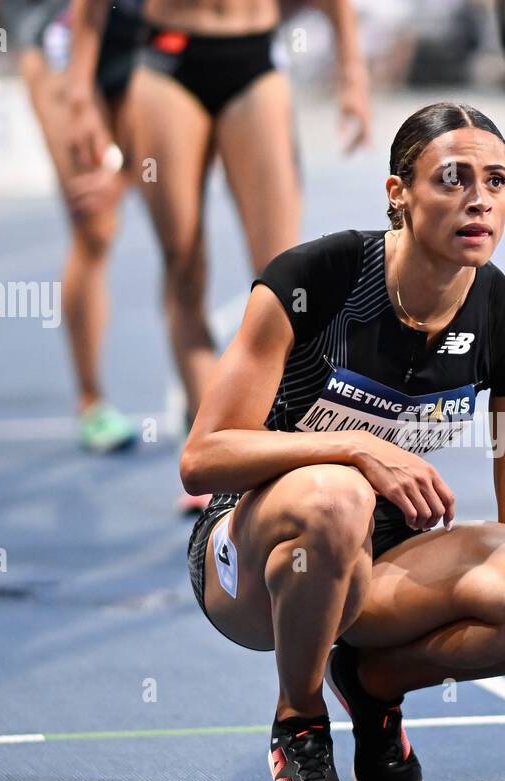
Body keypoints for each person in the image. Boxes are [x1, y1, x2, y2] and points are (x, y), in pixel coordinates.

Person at [181, 103, 505, 781]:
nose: (479, 199)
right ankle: (298, 722)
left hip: (382, 569)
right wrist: (358, 447)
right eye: (453, 179)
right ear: (399, 193)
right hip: (252, 560)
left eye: (496, 181)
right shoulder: (315, 280)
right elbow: (203, 458)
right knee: (337, 498)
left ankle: (372, 683)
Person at [67, 0, 371, 511]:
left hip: (253, 59)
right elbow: (91, 9)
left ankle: (282, 442)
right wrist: (80, 95)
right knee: (184, 266)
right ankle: (211, 443)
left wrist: (352, 72)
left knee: (287, 278)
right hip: (168, 61)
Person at [14, 0, 147, 452]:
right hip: (64, 41)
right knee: (94, 229)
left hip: (147, 39)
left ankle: (197, 396)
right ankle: (91, 401)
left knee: (176, 218)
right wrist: (78, 96)